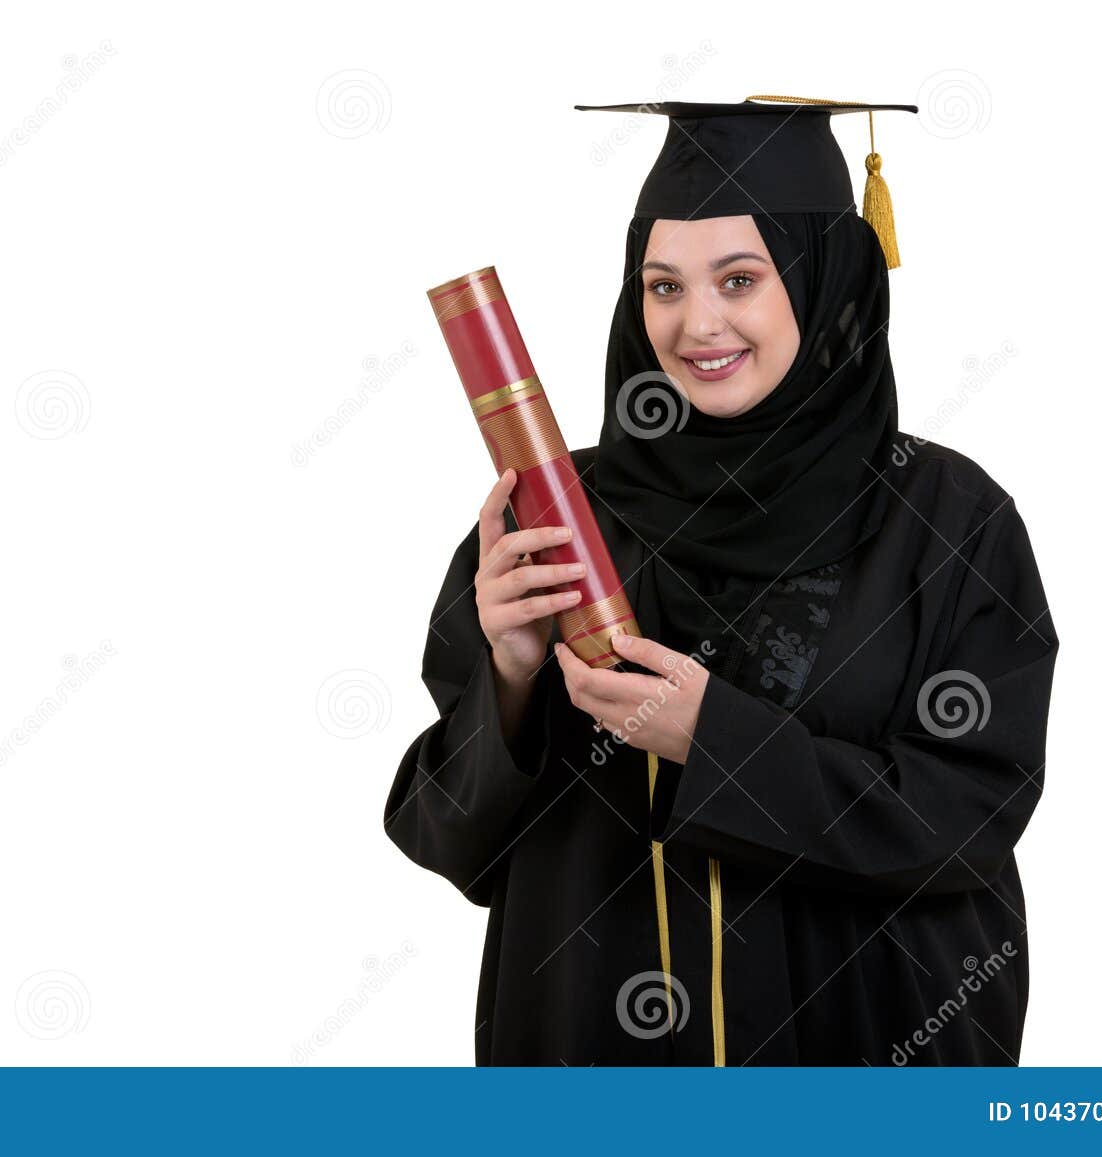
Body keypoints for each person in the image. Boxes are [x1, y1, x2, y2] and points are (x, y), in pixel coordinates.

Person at [383, 97, 1059, 1066]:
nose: (696, 323)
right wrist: (513, 678)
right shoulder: (557, 522)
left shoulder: (947, 521)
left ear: (823, 279)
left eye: (739, 278)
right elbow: (451, 840)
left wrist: (716, 744)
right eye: (663, 285)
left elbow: (969, 818)